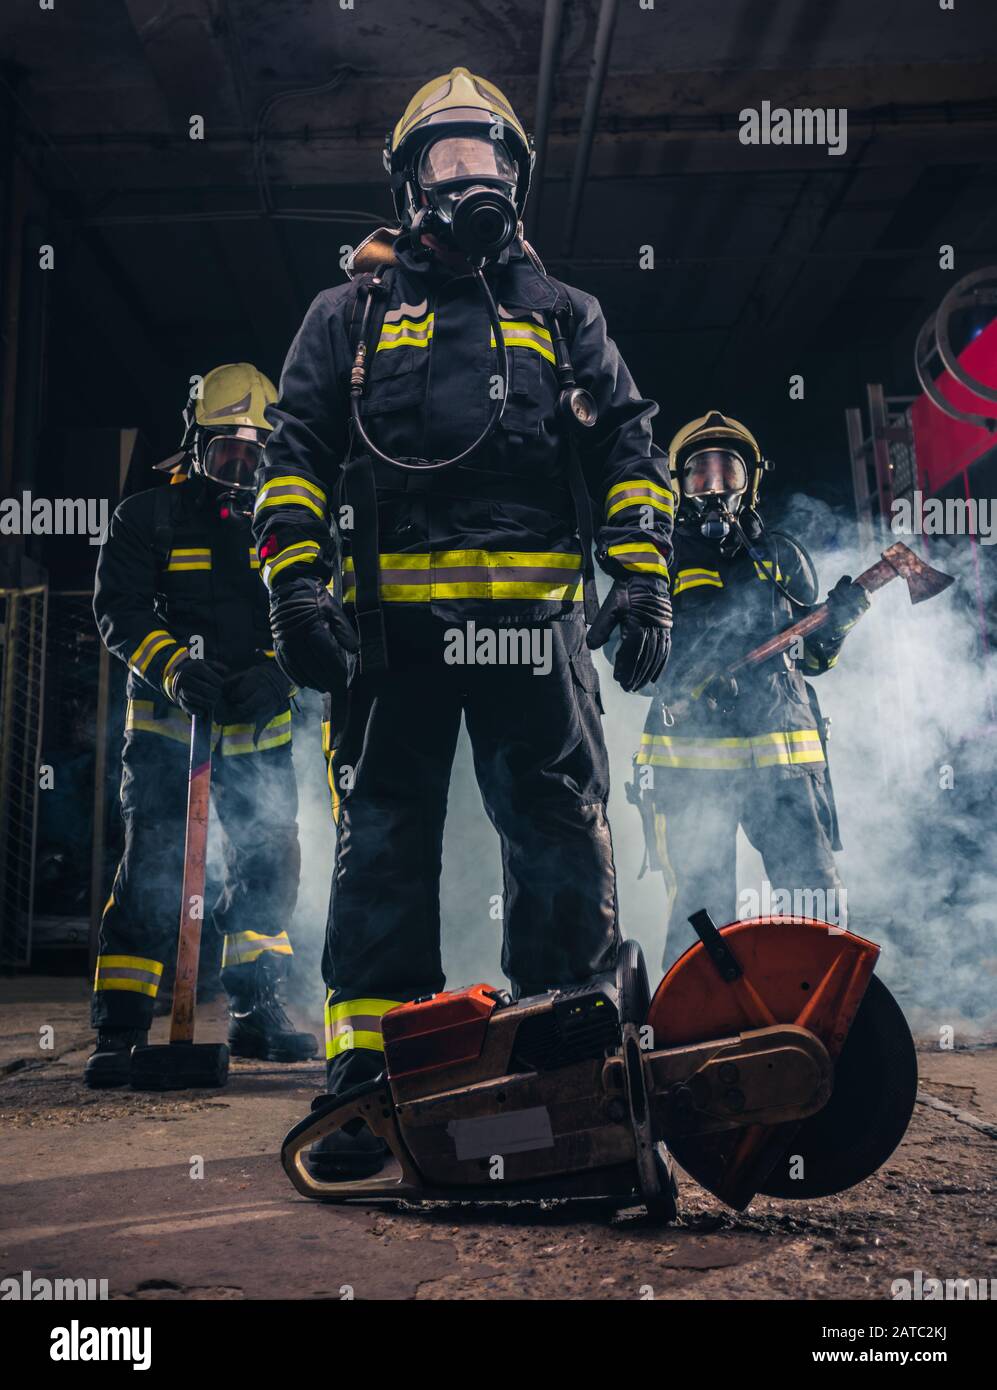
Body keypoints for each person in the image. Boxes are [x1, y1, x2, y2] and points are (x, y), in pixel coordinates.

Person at [252, 68, 674, 1175]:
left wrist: (640, 578)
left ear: (517, 180)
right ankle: (365, 1083)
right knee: (383, 845)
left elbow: (629, 449)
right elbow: (292, 451)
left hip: (537, 640)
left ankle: (556, 1077)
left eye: (487, 157)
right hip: (391, 642)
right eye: (445, 160)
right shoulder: (347, 317)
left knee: (557, 846)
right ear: (408, 185)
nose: (469, 176)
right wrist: (296, 583)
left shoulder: (564, 314)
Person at [87, 363, 317, 1087]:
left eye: (253, 455)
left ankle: (256, 1012)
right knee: (153, 870)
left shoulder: (290, 525)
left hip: (260, 740)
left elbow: (318, 609)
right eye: (226, 453)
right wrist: (174, 668)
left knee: (266, 870)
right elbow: (120, 612)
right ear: (195, 445)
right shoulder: (147, 517)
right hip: (166, 736)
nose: (240, 469)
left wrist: (279, 671)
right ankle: (121, 1029)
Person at [630, 410, 869, 967]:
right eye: (699, 475)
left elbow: (812, 660)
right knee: (703, 910)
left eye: (727, 474)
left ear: (750, 482)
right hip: (693, 773)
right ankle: (696, 1041)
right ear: (678, 485)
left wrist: (837, 626)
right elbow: (634, 666)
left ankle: (828, 1026)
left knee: (816, 898)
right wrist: (687, 677)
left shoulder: (783, 556)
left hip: (785, 768)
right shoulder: (658, 560)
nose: (714, 489)